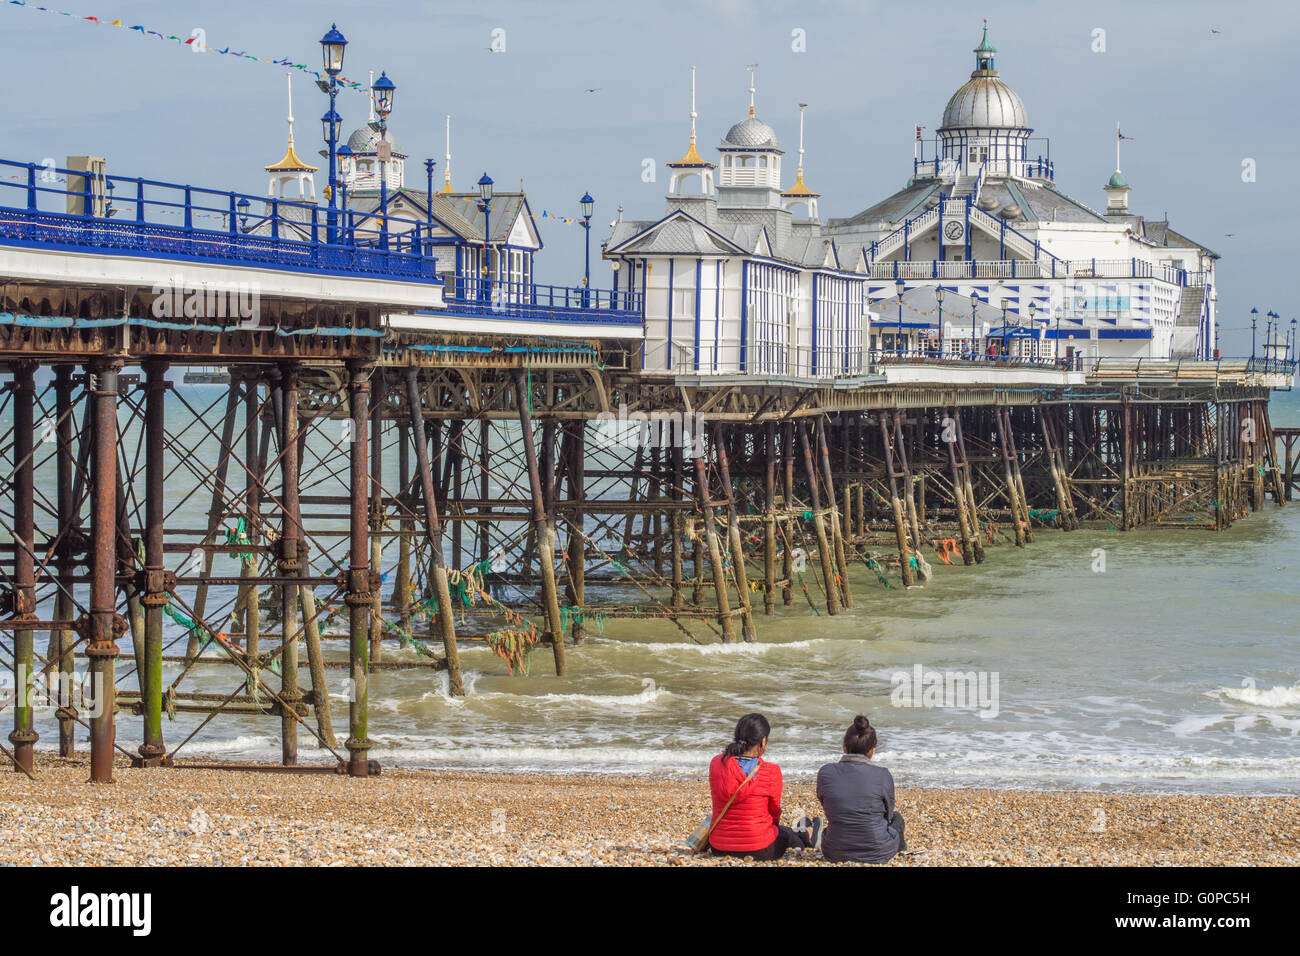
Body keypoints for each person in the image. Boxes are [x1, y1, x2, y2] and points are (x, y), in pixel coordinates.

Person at [707, 713, 818, 860]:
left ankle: (804, 830)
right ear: (763, 741)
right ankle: (807, 834)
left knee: (783, 831)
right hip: (759, 848)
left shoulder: (717, 763)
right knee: (787, 835)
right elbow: (774, 812)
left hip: (718, 847)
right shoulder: (770, 771)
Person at [815, 715, 906, 863]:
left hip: (834, 851)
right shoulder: (883, 775)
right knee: (897, 819)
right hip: (879, 852)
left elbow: (826, 803)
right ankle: (899, 848)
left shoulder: (826, 772)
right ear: (872, 750)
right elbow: (888, 815)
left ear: (844, 745)